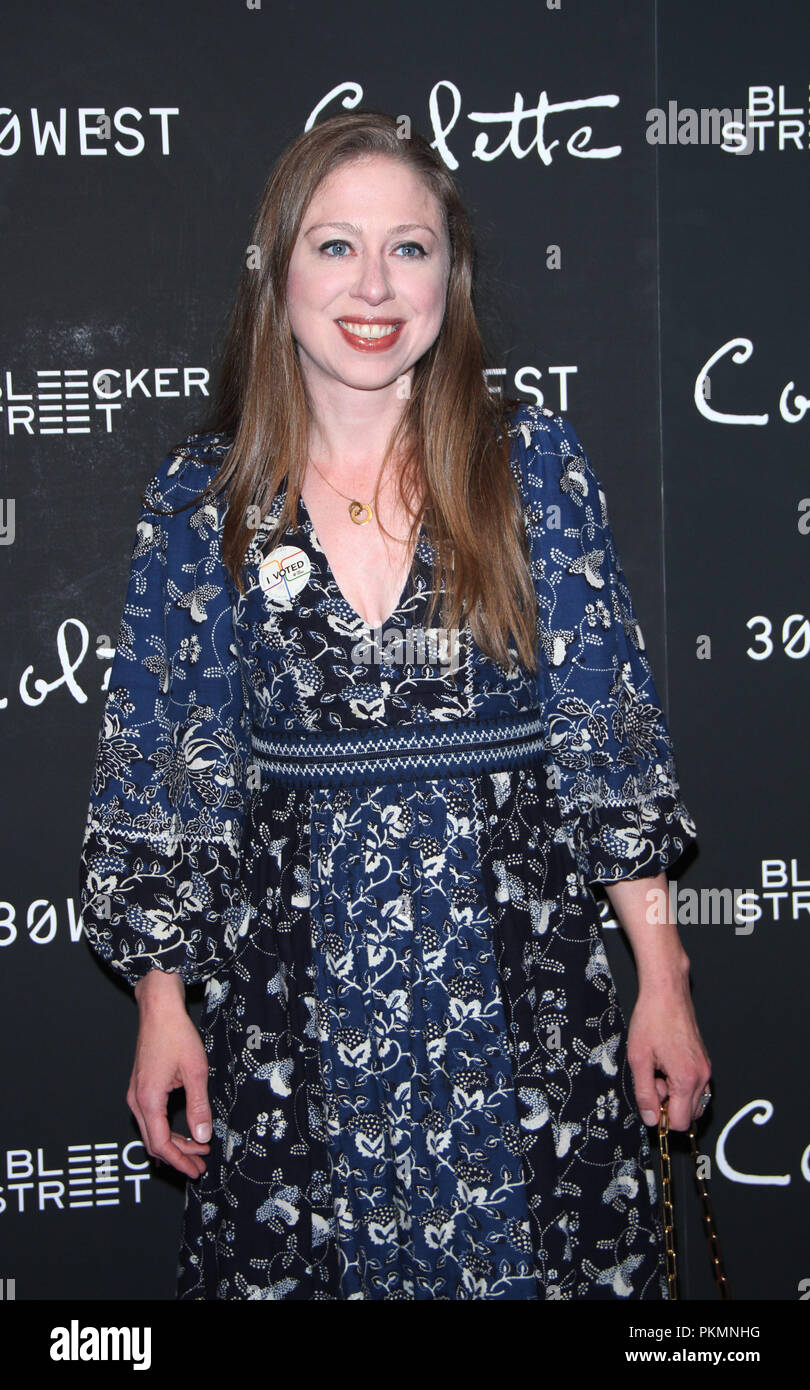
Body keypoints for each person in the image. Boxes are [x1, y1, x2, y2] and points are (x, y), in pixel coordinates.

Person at [78, 109, 710, 1301]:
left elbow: (608, 738)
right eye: (337, 246)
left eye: (408, 248)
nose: (374, 286)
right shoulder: (202, 498)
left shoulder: (530, 468)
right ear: (278, 269)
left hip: (527, 1003)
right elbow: (163, 770)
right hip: (291, 1018)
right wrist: (162, 1000)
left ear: (447, 277)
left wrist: (664, 982)